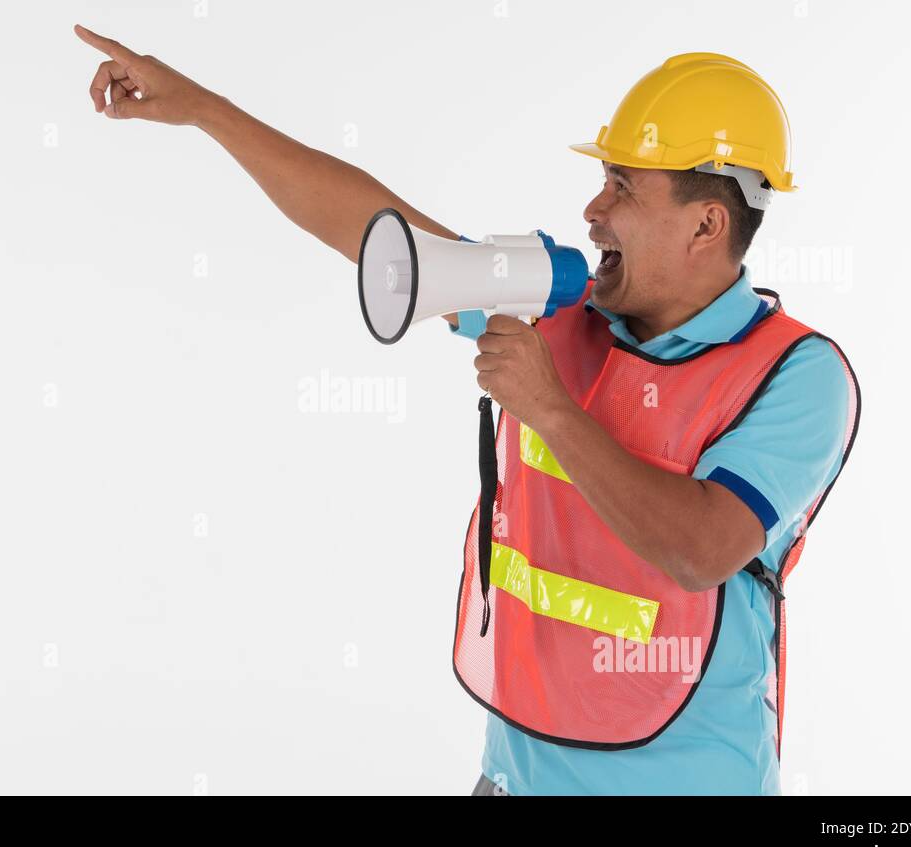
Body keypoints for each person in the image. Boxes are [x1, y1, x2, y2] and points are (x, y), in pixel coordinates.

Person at [74, 26, 860, 796]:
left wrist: (551, 409)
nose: (593, 208)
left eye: (624, 186)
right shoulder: (564, 310)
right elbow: (374, 230)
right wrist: (204, 110)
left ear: (706, 223)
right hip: (515, 775)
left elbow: (700, 550)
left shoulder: (796, 375)